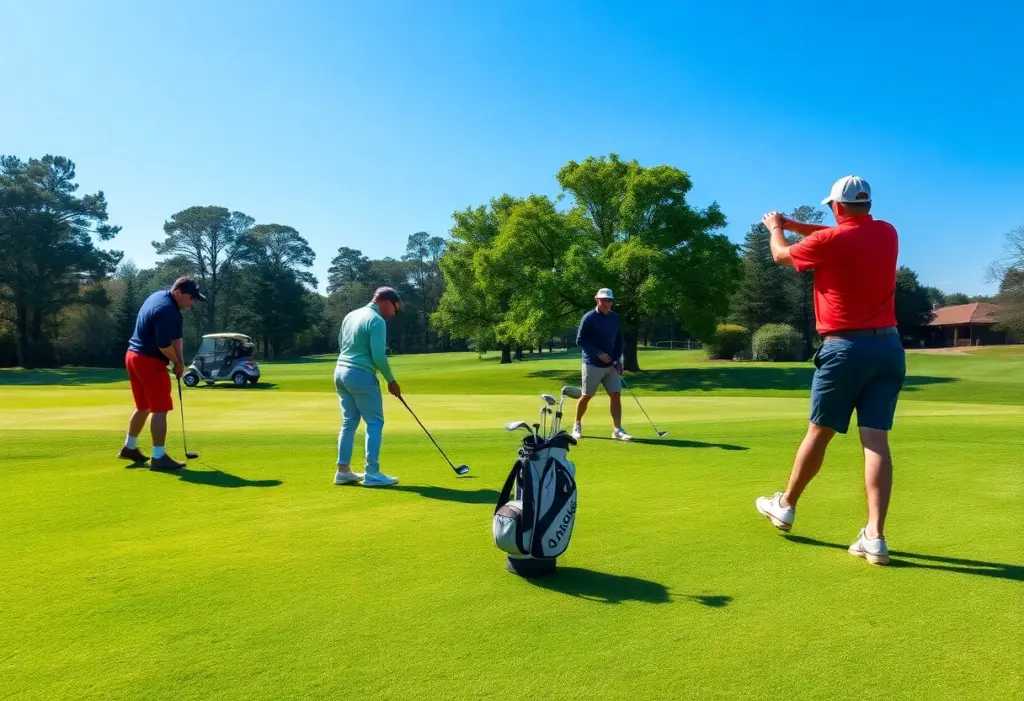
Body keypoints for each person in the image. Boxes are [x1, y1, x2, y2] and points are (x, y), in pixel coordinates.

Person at [755, 175, 905, 566]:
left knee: (819, 433)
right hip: (888, 348)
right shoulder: (887, 233)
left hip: (845, 349)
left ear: (837, 206)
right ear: (867, 204)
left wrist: (776, 229)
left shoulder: (828, 241)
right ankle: (875, 536)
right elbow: (841, 233)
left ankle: (785, 505)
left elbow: (781, 255)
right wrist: (796, 224)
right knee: (876, 443)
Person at [118, 276, 204, 470]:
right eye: (191, 298)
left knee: (144, 406)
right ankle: (159, 457)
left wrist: (180, 361)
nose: (192, 304)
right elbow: (163, 344)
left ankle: (129, 448)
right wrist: (176, 361)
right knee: (159, 408)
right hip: (148, 360)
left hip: (133, 356)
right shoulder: (167, 311)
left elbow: (176, 338)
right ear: (178, 293)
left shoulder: (160, 298)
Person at [333, 287, 403, 487]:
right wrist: (391, 380)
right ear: (386, 302)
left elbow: (341, 344)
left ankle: (343, 471)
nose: (393, 315)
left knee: (349, 422)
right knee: (374, 422)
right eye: (395, 310)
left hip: (339, 371)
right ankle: (372, 472)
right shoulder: (376, 320)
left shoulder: (351, 315)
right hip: (360, 373)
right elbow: (378, 356)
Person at [571, 288, 632, 441]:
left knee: (616, 395)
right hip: (592, 363)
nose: (606, 303)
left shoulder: (615, 318)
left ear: (612, 302)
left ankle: (617, 430)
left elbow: (619, 340)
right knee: (587, 395)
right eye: (603, 300)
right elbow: (581, 340)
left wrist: (617, 359)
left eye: (609, 301)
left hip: (612, 365)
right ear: (596, 300)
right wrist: (598, 353)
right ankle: (577, 424)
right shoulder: (589, 318)